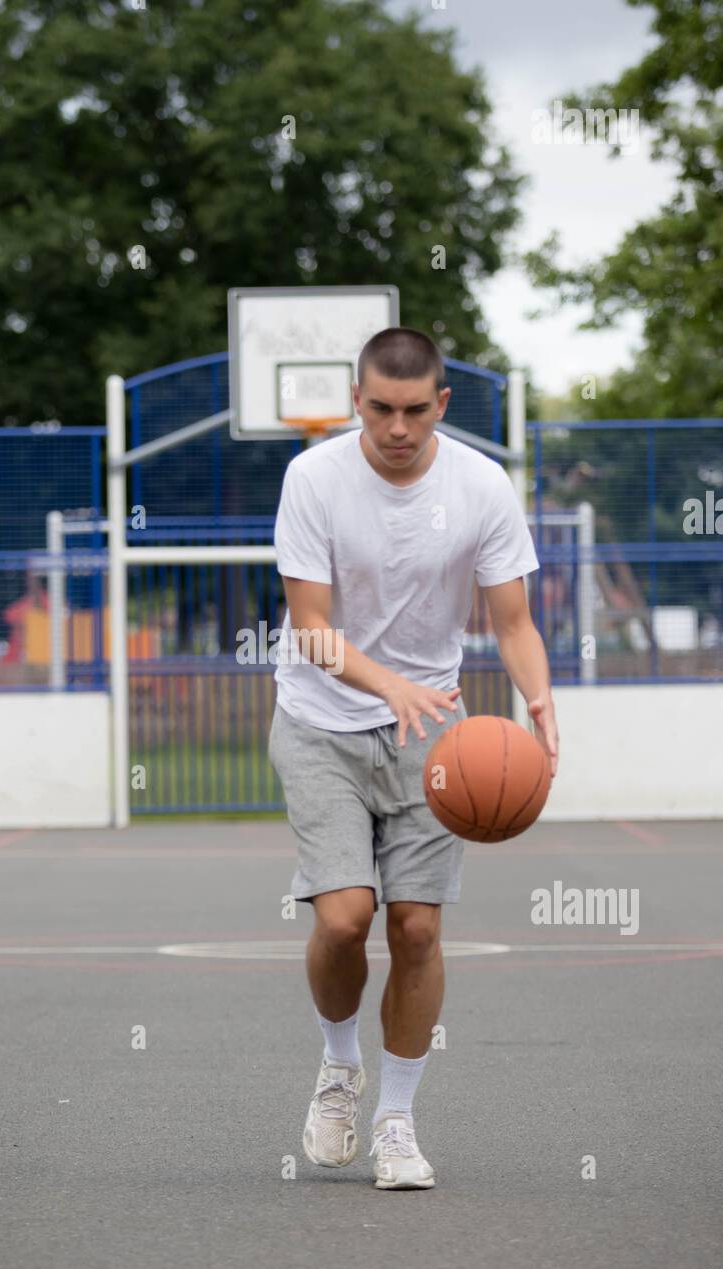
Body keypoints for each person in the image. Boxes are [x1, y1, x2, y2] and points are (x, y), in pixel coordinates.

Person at [267, 328, 559, 1190]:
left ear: (442, 403)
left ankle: (396, 1118)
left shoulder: (480, 484)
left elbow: (512, 622)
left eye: (414, 409)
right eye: (380, 408)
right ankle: (337, 1067)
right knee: (346, 917)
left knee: (419, 927)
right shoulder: (313, 478)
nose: (397, 427)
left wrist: (537, 698)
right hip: (320, 720)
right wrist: (388, 684)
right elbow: (311, 627)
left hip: (434, 729)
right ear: (357, 400)